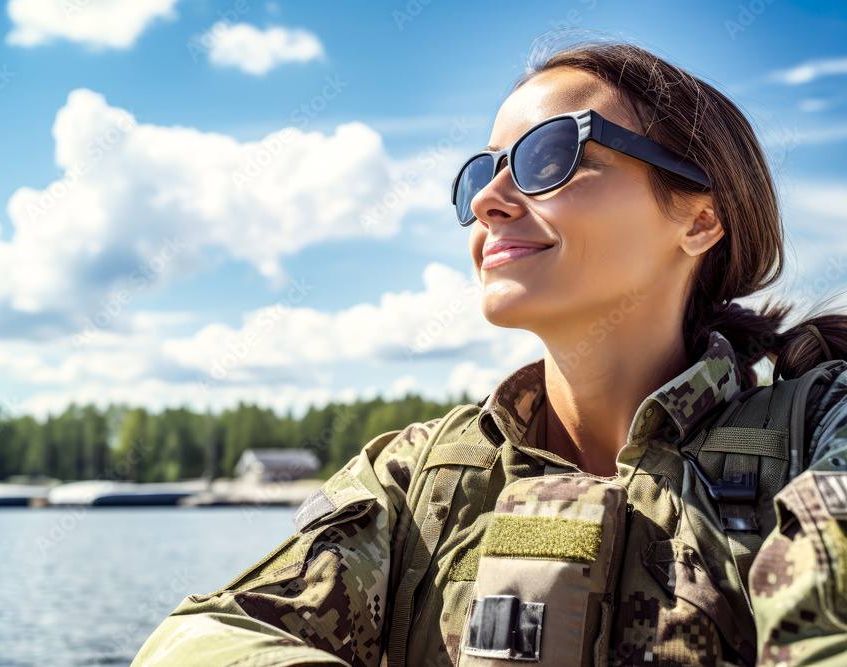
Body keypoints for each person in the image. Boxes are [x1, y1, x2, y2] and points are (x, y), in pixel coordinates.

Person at [130, 33, 847, 667]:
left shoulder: (819, 434)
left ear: (700, 220)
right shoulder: (419, 478)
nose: (487, 200)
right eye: (483, 170)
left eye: (550, 155)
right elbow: (200, 636)